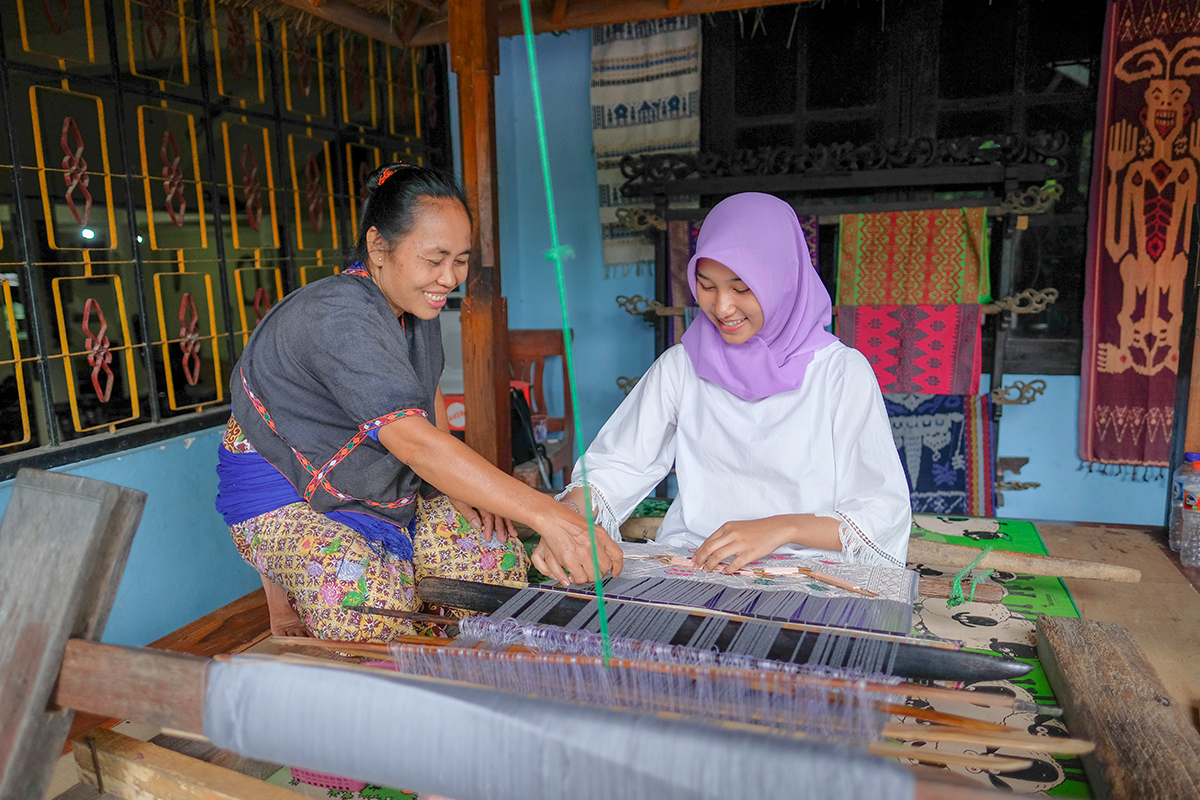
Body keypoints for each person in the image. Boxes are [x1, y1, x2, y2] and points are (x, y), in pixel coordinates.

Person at [216, 163, 622, 641]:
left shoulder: (412, 309)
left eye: (462, 259)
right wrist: (548, 514)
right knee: (373, 611)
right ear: (378, 247)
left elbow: (425, 401)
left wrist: (456, 487)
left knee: (491, 554)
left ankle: (472, 679)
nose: (449, 278)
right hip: (289, 489)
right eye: (435, 259)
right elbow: (413, 442)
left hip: (383, 475)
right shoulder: (336, 315)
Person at [549, 192, 910, 578]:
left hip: (806, 576)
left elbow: (880, 513)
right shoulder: (682, 367)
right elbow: (615, 467)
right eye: (706, 285)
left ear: (784, 281)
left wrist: (781, 527)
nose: (722, 307)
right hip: (696, 566)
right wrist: (567, 521)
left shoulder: (840, 374)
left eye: (741, 288)